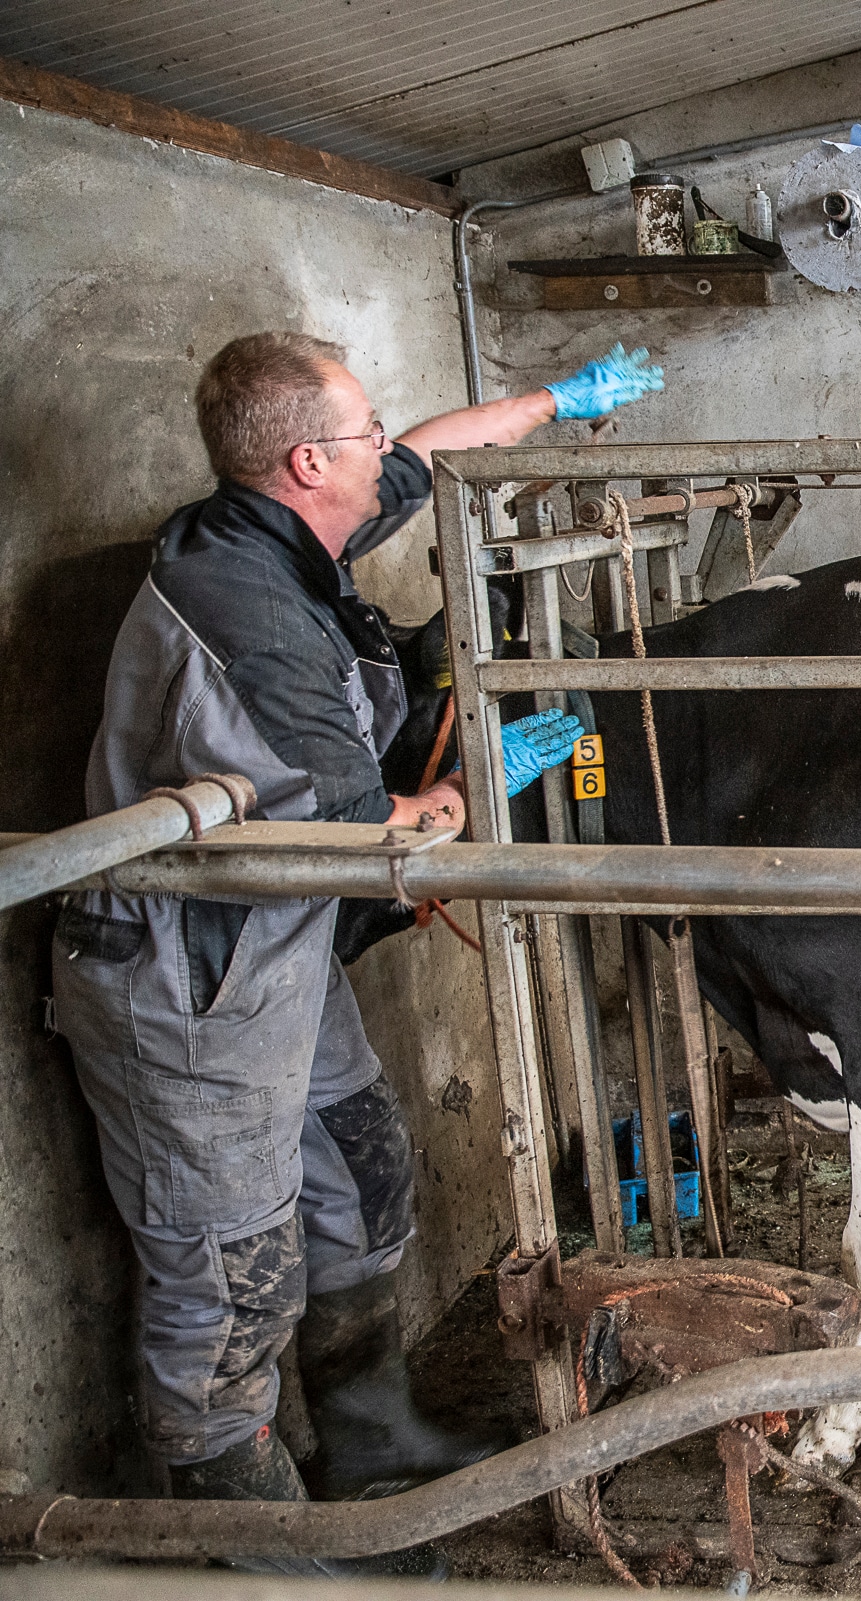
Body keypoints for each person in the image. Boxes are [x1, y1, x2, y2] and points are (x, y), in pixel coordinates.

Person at [49, 331, 664, 1573]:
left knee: (365, 1171)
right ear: (307, 456)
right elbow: (354, 830)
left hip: (278, 945)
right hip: (192, 979)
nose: (387, 442)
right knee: (236, 1284)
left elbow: (427, 456)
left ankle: (369, 1447)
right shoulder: (254, 621)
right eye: (366, 427)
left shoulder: (278, 527)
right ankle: (262, 1538)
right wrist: (474, 779)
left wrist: (557, 401)